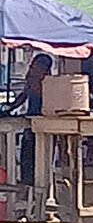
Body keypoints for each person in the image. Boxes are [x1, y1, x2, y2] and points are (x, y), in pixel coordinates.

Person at [4, 54, 53, 187]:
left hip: (44, 125)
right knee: (27, 155)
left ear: (44, 69)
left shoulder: (49, 83)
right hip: (29, 123)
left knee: (41, 158)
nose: (32, 68)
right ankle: (27, 184)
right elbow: (23, 97)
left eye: (36, 65)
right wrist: (9, 108)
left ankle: (40, 186)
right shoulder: (30, 80)